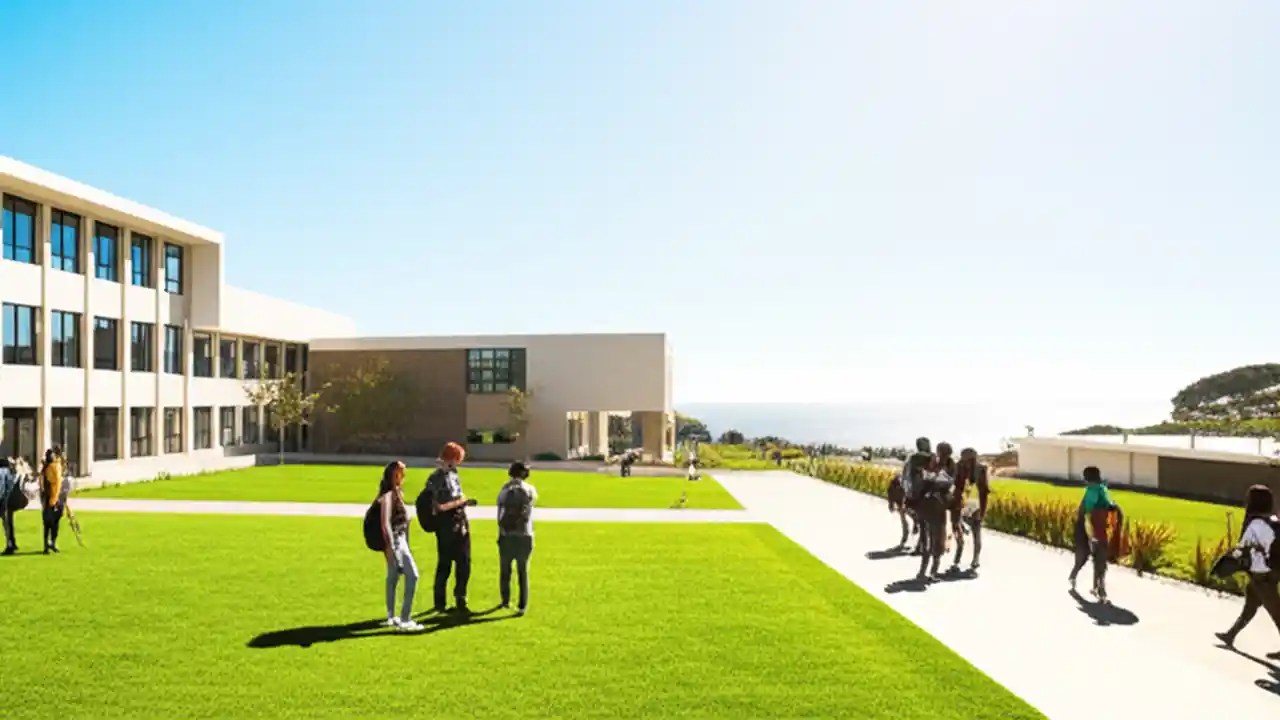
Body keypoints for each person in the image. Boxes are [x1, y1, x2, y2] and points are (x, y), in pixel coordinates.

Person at [1216, 485, 1280, 658]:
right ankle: (1231, 634)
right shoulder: (1273, 521)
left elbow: (1244, 547)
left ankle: (1231, 635)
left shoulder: (1255, 523)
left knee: (1276, 613)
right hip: (1270, 571)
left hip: (1261, 574)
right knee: (1250, 605)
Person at [427, 442, 474, 613]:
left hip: (460, 521)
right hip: (445, 524)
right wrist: (459, 502)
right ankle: (439, 602)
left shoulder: (454, 475)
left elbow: (459, 494)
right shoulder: (435, 479)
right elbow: (438, 506)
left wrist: (463, 502)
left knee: (464, 563)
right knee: (445, 564)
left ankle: (460, 597)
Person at [378, 461, 423, 632]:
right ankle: (404, 619)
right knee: (412, 576)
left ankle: (392, 616)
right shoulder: (388, 496)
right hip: (395, 542)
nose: (404, 476)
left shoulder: (398, 493)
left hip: (401, 540)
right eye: (401, 473)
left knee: (393, 577)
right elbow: (385, 523)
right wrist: (390, 548)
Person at [1069, 466, 1117, 601]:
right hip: (1098, 529)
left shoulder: (1093, 490)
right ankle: (1099, 587)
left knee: (1086, 556)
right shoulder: (1101, 489)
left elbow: (1086, 508)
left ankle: (1075, 576)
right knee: (1100, 558)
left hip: (1089, 527)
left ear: (1087, 479)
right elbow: (1106, 505)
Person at [496, 462, 538, 615]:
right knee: (523, 571)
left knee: (505, 570)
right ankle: (522, 605)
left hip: (506, 534)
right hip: (525, 534)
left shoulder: (504, 489)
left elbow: (500, 510)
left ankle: (505, 601)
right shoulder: (530, 490)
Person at [950, 448, 990, 571]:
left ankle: (975, 558)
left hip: (975, 503)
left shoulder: (981, 470)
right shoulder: (958, 468)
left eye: (969, 459)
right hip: (961, 502)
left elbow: (984, 492)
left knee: (976, 531)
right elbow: (956, 487)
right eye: (964, 459)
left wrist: (982, 512)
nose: (966, 462)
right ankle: (958, 557)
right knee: (957, 528)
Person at [40, 447, 65, 554]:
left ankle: (52, 543)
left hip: (57, 498)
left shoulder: (55, 467)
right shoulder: (48, 469)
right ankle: (47, 545)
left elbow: (59, 482)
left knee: (55, 523)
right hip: (49, 498)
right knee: (48, 523)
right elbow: (46, 484)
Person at [1, 457, 17, 555]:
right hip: (8, 501)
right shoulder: (10, 473)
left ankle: (10, 544)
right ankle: (10, 543)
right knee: (7, 524)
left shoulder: (2, 472)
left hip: (2, 500)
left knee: (6, 524)